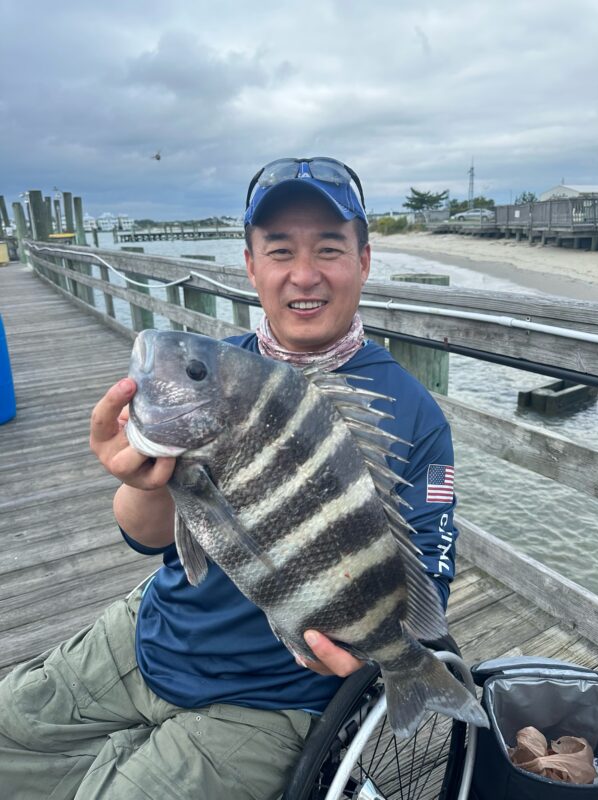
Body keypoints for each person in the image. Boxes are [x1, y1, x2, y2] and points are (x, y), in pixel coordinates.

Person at [0, 157, 458, 799]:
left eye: (328, 248)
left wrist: (378, 659)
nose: (304, 274)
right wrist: (140, 478)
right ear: (250, 265)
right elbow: (152, 539)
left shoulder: (414, 412)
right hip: (153, 634)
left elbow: (429, 574)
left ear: (364, 260)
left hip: (273, 699)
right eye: (279, 251)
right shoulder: (218, 373)